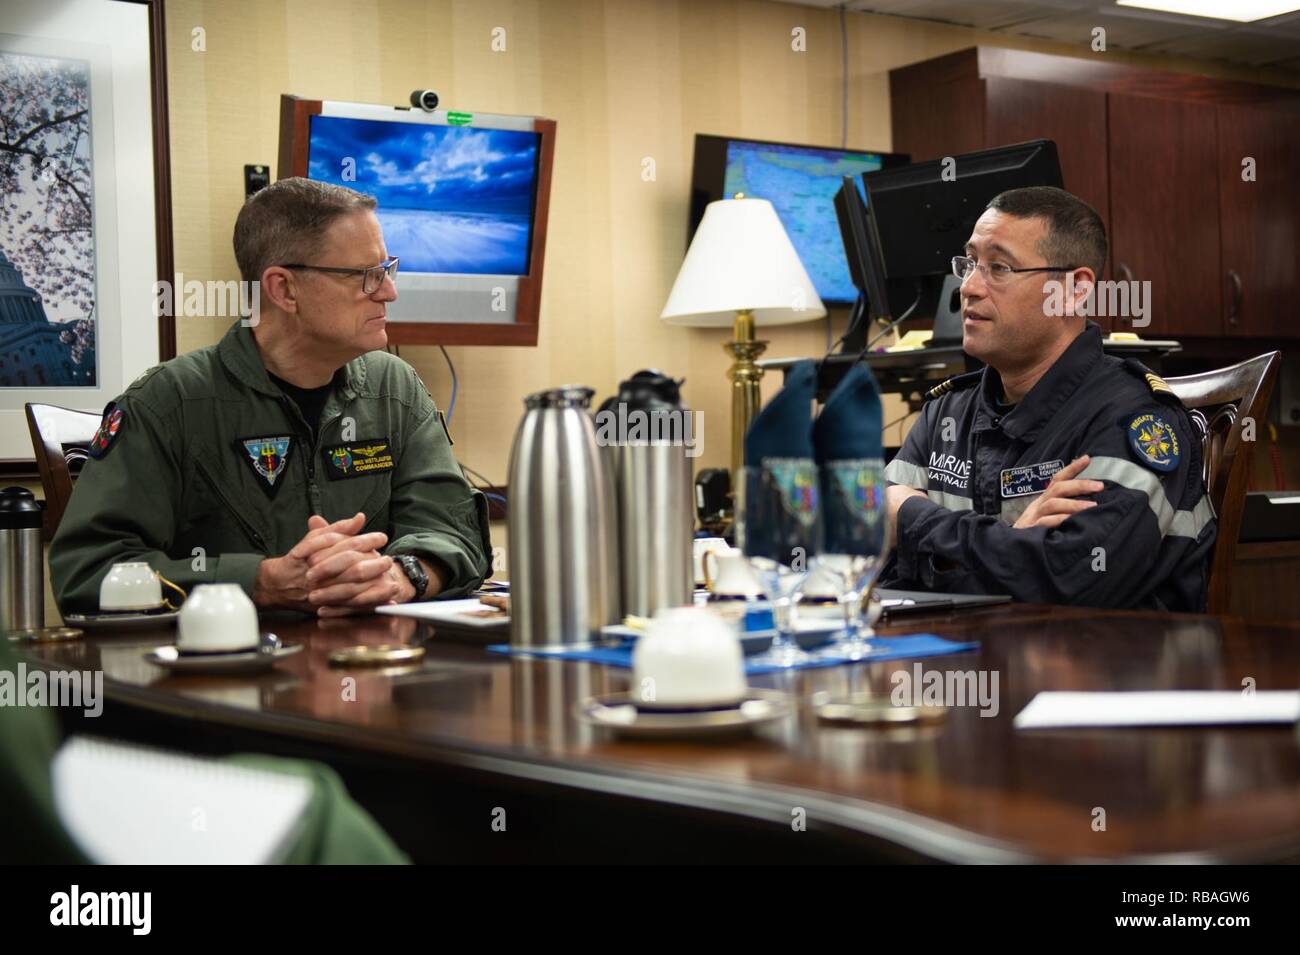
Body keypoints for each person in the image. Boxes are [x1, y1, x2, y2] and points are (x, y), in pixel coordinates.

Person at [50, 178, 491, 616]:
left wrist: (399, 577)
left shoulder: (394, 389)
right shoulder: (170, 402)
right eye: (365, 276)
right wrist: (258, 582)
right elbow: (88, 571)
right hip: (222, 674)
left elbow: (453, 529)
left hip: (374, 665)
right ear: (283, 289)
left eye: (387, 269)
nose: (388, 292)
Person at [879, 186, 1215, 611]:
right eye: (969, 263)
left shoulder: (1133, 418)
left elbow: (1069, 582)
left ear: (1073, 290)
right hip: (970, 660)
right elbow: (871, 563)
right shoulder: (947, 412)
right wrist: (1013, 547)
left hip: (1110, 668)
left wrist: (912, 519)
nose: (969, 288)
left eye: (998, 267)